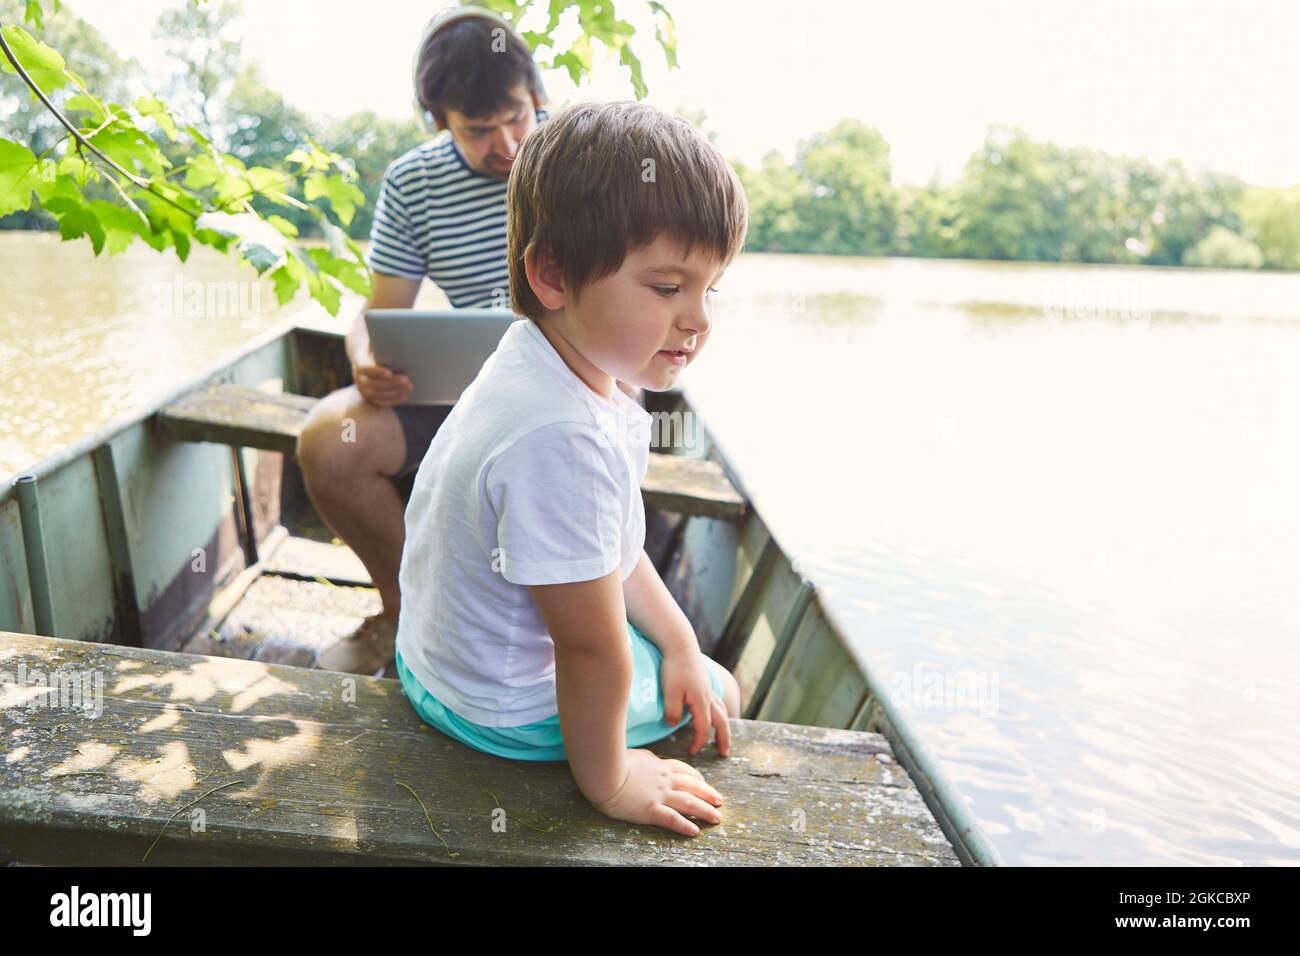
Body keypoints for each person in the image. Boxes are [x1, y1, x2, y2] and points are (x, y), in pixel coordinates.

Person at [392, 100, 750, 838]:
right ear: (552, 273)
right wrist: (612, 779)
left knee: (684, 657)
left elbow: (611, 552)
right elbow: (589, 647)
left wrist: (678, 640)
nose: (699, 319)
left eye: (709, 288)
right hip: (495, 709)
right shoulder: (561, 437)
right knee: (719, 692)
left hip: (429, 666)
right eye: (666, 287)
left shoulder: (541, 357)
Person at [297, 6, 550, 674]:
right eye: (478, 129)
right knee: (329, 439)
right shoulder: (413, 182)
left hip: (580, 390)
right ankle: (406, 612)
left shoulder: (579, 155)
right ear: (438, 120)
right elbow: (373, 314)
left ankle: (547, 643)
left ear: (538, 97)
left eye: (518, 117)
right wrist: (364, 359)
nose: (508, 145)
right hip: (468, 397)